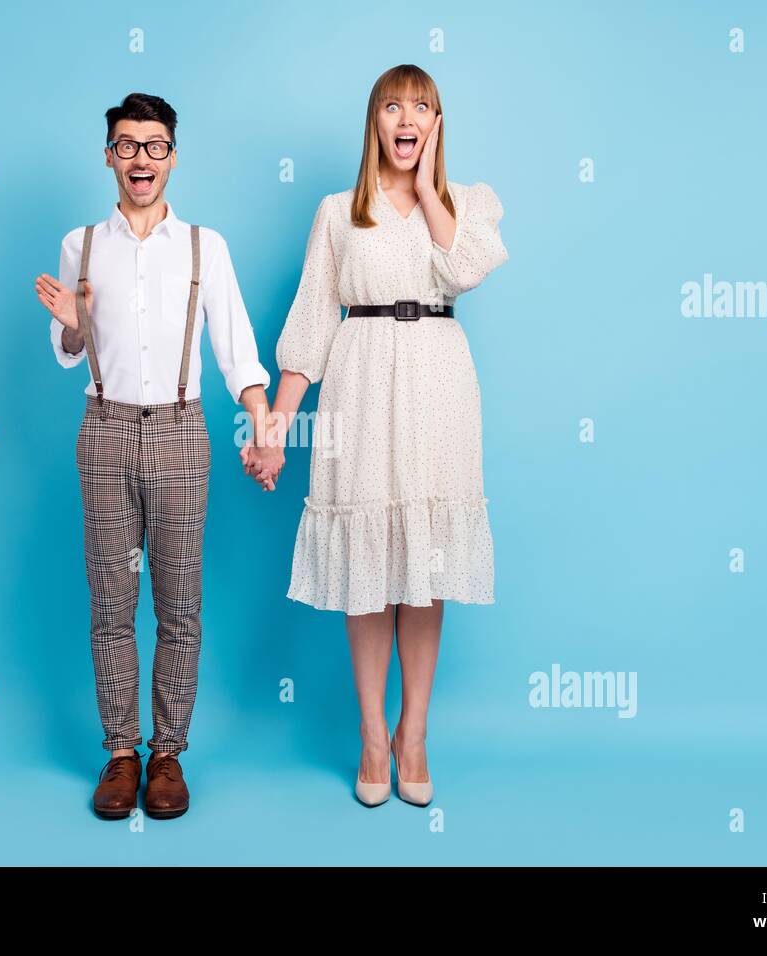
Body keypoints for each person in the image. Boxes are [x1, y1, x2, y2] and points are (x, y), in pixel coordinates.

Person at [247, 64, 509, 807]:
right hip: (358, 386)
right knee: (368, 564)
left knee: (424, 566)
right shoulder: (338, 211)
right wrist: (275, 426)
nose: (407, 117)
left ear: (435, 125)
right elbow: (309, 324)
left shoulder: (464, 204)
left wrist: (428, 190)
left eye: (421, 107)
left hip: (438, 382)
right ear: (375, 121)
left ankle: (413, 736)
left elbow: (466, 270)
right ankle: (371, 736)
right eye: (393, 105)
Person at [35, 92, 279, 819]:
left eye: (155, 145)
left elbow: (237, 348)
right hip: (104, 427)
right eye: (127, 145)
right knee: (110, 601)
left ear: (172, 156)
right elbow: (67, 352)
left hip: (180, 429)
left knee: (180, 602)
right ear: (108, 156)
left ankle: (168, 753)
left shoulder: (207, 247)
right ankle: (119, 753)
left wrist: (263, 423)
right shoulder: (81, 244)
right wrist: (75, 327)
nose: (141, 158)